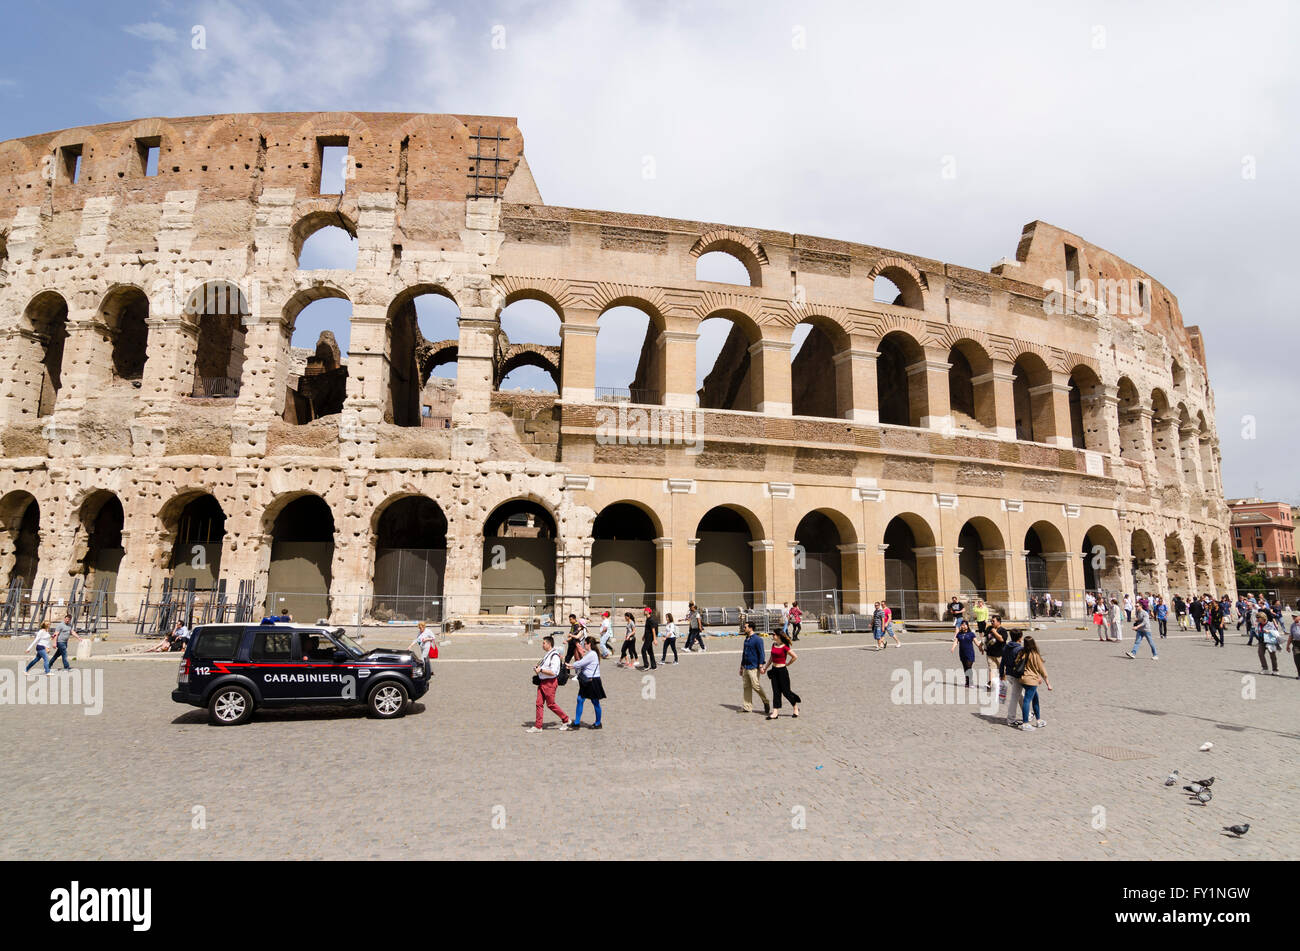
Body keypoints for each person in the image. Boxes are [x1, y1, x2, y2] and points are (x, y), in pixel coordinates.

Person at [528, 635, 571, 733]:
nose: (542, 645)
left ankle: (566, 719)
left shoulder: (554, 656)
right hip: (543, 682)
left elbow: (553, 672)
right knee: (539, 703)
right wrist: (538, 669)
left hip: (550, 683)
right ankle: (538, 726)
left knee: (551, 704)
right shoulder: (548, 654)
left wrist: (541, 670)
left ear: (549, 644)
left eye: (543, 643)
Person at [568, 635, 606, 728]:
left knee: (595, 702)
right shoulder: (590, 653)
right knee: (580, 699)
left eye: (585, 644)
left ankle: (598, 723)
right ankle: (577, 722)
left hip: (592, 680)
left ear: (589, 644)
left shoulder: (592, 654)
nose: (584, 645)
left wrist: (571, 665)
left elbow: (581, 663)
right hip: (586, 680)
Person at [1017, 635, 1052, 731]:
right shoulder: (1035, 655)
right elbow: (1042, 670)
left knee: (1035, 698)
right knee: (1027, 700)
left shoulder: (1021, 653)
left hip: (1023, 679)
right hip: (1031, 680)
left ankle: (1038, 719)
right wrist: (1048, 683)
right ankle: (1025, 723)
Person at [764, 629, 801, 718]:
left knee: (786, 692)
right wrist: (765, 667)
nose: (772, 636)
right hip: (774, 670)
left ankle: (795, 707)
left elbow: (795, 656)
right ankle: (775, 712)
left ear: (778, 636)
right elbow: (771, 658)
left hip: (782, 671)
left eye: (774, 634)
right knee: (776, 691)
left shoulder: (785, 647)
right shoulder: (773, 645)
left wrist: (788, 663)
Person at [738, 621, 771, 714]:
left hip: (754, 667)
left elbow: (762, 653)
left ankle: (765, 701)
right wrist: (741, 667)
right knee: (746, 687)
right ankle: (747, 707)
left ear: (751, 628)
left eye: (745, 627)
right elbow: (744, 653)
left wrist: (761, 665)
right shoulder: (746, 639)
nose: (744, 629)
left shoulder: (758, 639)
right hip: (746, 666)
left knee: (756, 685)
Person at [999, 629, 1025, 727]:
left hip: (1008, 674)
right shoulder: (1019, 649)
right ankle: (1011, 719)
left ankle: (1027, 713)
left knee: (1020, 695)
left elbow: (1002, 662)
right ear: (1020, 637)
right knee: (1015, 697)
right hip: (1016, 675)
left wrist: (1001, 674)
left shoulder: (1006, 647)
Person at [981, 615, 1005, 691]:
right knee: (992, 670)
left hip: (1000, 655)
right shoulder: (989, 628)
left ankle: (1002, 685)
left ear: (999, 622)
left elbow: (1001, 639)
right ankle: (990, 684)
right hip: (990, 654)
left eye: (993, 621)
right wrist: (980, 646)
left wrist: (995, 632)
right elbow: (985, 638)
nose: (991, 622)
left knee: (1003, 671)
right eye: (991, 621)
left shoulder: (1002, 630)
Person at [951, 620, 977, 687]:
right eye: (962, 625)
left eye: (965, 625)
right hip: (962, 653)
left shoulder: (971, 634)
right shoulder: (959, 634)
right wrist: (953, 648)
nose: (963, 626)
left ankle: (970, 682)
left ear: (967, 626)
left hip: (970, 653)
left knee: (969, 667)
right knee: (965, 668)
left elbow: (976, 642)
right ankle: (967, 682)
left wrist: (980, 648)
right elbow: (956, 642)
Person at [639, 606, 658, 670]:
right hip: (647, 637)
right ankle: (654, 666)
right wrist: (644, 635)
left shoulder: (651, 620)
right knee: (650, 652)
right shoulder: (647, 619)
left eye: (646, 610)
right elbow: (647, 628)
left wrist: (655, 639)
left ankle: (646, 665)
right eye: (644, 610)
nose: (644, 611)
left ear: (649, 612)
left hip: (650, 637)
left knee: (643, 650)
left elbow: (653, 630)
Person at [1286, 615, 1300, 679]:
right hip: (1296, 643)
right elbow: (1291, 636)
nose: (1293, 617)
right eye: (1293, 616)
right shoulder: (1293, 625)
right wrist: (1287, 645)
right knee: (1297, 659)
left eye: (1295, 616)